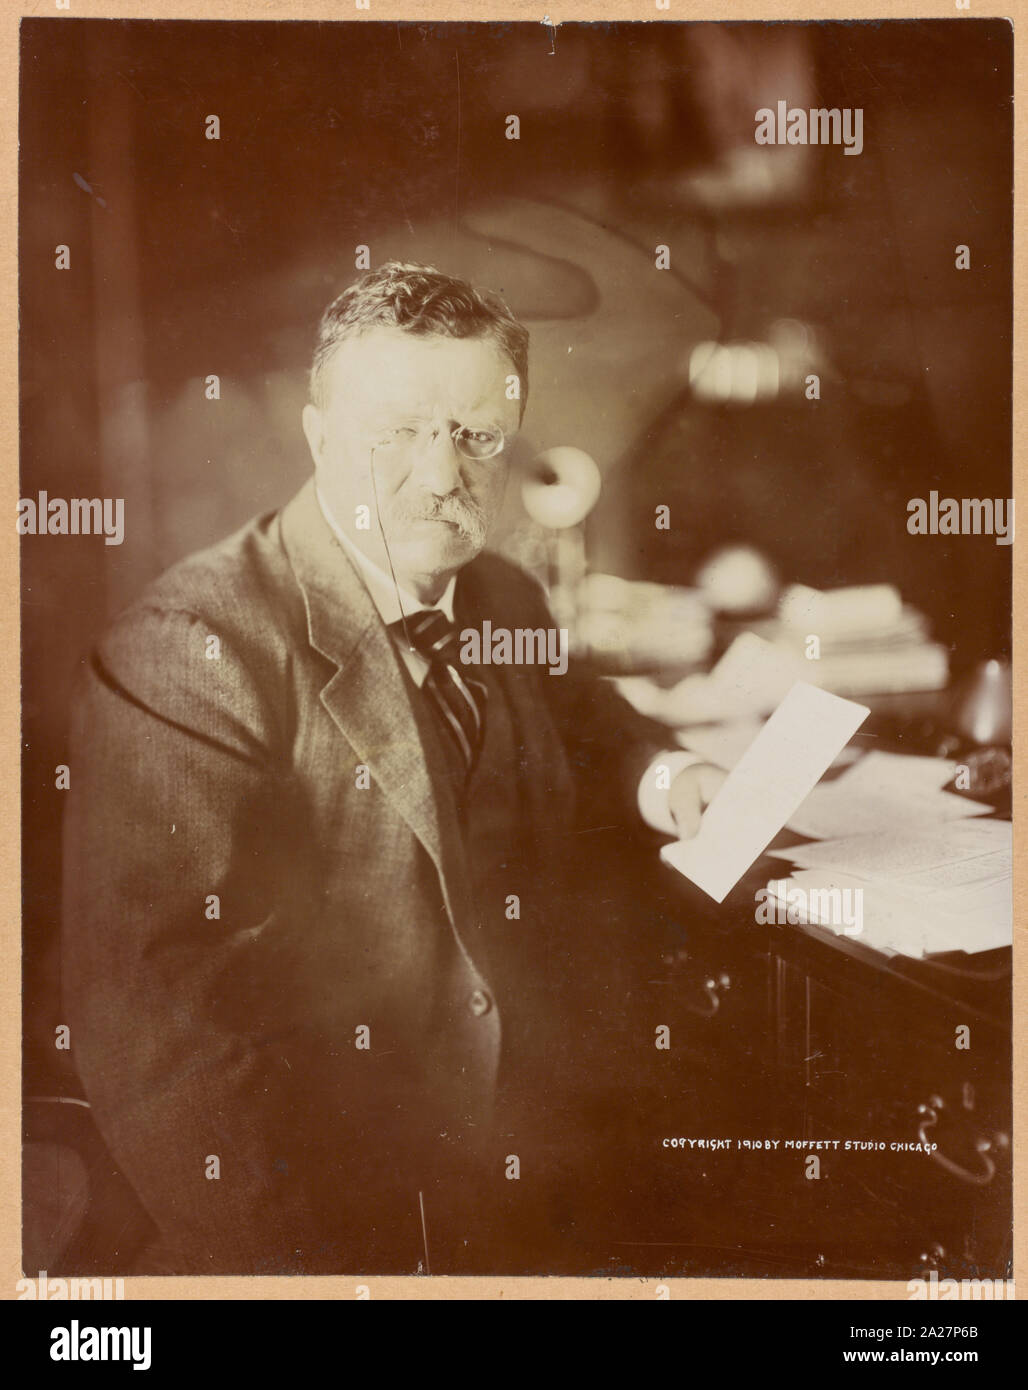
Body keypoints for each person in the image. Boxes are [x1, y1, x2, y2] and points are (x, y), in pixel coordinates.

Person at [61, 262, 721, 1275]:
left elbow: (580, 721)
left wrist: (665, 778)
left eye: (474, 434)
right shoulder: (190, 651)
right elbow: (171, 1045)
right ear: (322, 438)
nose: (441, 474)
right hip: (320, 1223)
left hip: (522, 1182)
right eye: (398, 432)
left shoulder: (499, 595)